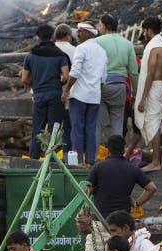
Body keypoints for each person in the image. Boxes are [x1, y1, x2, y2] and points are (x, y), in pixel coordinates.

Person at [84, 134, 156, 251]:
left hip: (101, 220)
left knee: (91, 248)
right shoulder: (132, 168)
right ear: (124, 149)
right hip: (123, 224)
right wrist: (137, 203)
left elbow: (86, 191)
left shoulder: (98, 167)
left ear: (107, 149)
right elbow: (151, 188)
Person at [135, 16, 162, 172]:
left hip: (154, 87)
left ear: (147, 30)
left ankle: (155, 161)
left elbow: (150, 74)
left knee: (152, 121)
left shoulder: (153, 48)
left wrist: (143, 98)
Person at [62, 22, 107, 167]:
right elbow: (103, 78)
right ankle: (90, 161)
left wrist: (67, 89)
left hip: (79, 95)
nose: (78, 34)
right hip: (94, 96)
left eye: (80, 31)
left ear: (89, 33)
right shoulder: (101, 51)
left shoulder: (81, 48)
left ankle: (78, 162)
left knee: (77, 129)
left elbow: (74, 72)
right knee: (90, 129)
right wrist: (96, 90)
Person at [22, 24, 70, 159]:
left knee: (37, 128)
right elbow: (66, 77)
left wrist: (35, 84)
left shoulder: (31, 56)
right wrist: (58, 83)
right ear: (53, 36)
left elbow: (24, 78)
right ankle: (51, 159)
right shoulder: (60, 55)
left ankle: (33, 159)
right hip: (55, 94)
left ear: (38, 37)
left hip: (38, 95)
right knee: (53, 129)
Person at [97, 14, 139, 145]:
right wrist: (134, 93)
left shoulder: (98, 42)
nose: (99, 28)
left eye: (99, 25)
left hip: (101, 86)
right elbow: (133, 71)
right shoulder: (127, 44)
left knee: (99, 123)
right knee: (117, 123)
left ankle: (94, 157)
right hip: (120, 86)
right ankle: (116, 154)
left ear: (104, 26)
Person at [54, 23, 76, 156]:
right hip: (69, 94)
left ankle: (49, 157)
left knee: (50, 128)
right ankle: (68, 156)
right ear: (68, 36)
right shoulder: (74, 50)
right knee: (68, 128)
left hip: (49, 95)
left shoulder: (48, 50)